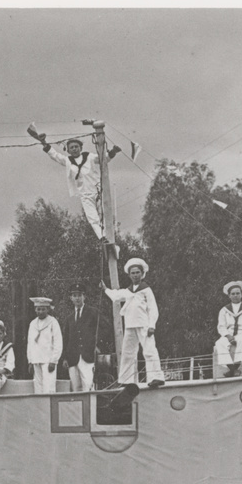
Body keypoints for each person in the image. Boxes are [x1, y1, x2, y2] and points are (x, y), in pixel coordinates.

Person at [42, 137, 121, 243]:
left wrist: (113, 152)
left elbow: (104, 159)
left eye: (76, 147)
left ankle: (110, 237)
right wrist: (43, 142)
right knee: (92, 218)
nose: (74, 149)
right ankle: (102, 238)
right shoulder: (68, 161)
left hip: (98, 190)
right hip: (85, 194)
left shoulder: (89, 157)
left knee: (104, 215)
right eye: (72, 148)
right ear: (68, 150)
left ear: (81, 148)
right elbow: (55, 155)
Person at [104, 258, 165, 388]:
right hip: (130, 325)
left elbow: (153, 308)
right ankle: (127, 380)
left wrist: (152, 325)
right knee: (127, 352)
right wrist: (105, 289)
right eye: (133, 273)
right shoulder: (128, 291)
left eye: (137, 272)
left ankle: (156, 377)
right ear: (129, 275)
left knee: (149, 351)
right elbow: (116, 295)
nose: (135, 275)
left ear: (142, 274)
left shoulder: (146, 290)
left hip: (144, 325)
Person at [61, 282, 98, 392]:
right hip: (72, 358)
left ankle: (91, 409)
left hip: (88, 356)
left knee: (88, 384)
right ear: (71, 298)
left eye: (79, 295)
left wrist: (98, 345)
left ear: (84, 296)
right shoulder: (69, 318)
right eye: (74, 296)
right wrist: (65, 357)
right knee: (75, 387)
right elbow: (66, 339)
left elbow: (105, 328)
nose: (77, 298)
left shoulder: (93, 313)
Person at [26, 297, 63, 394]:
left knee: (48, 387)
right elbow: (30, 343)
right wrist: (30, 361)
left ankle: (48, 408)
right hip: (36, 359)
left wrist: (54, 360)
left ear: (48, 309)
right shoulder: (33, 323)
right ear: (35, 310)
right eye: (38, 309)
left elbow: (58, 342)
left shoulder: (53, 322)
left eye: (43, 309)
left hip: (48, 360)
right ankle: (39, 408)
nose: (41, 311)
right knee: (38, 387)